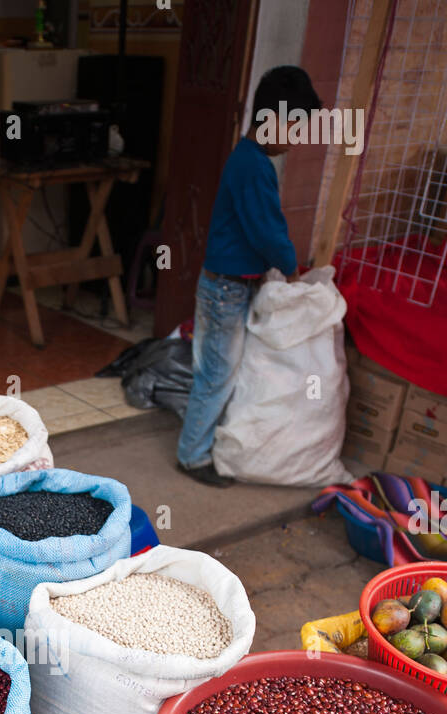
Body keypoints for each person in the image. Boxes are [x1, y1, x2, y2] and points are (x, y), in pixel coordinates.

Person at [176, 66, 322, 488]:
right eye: (295, 131)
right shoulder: (255, 168)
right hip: (226, 289)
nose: (296, 143)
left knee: (217, 370)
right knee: (216, 375)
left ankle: (203, 444)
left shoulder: (248, 159)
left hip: (227, 284)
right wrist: (291, 268)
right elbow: (267, 230)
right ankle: (192, 456)